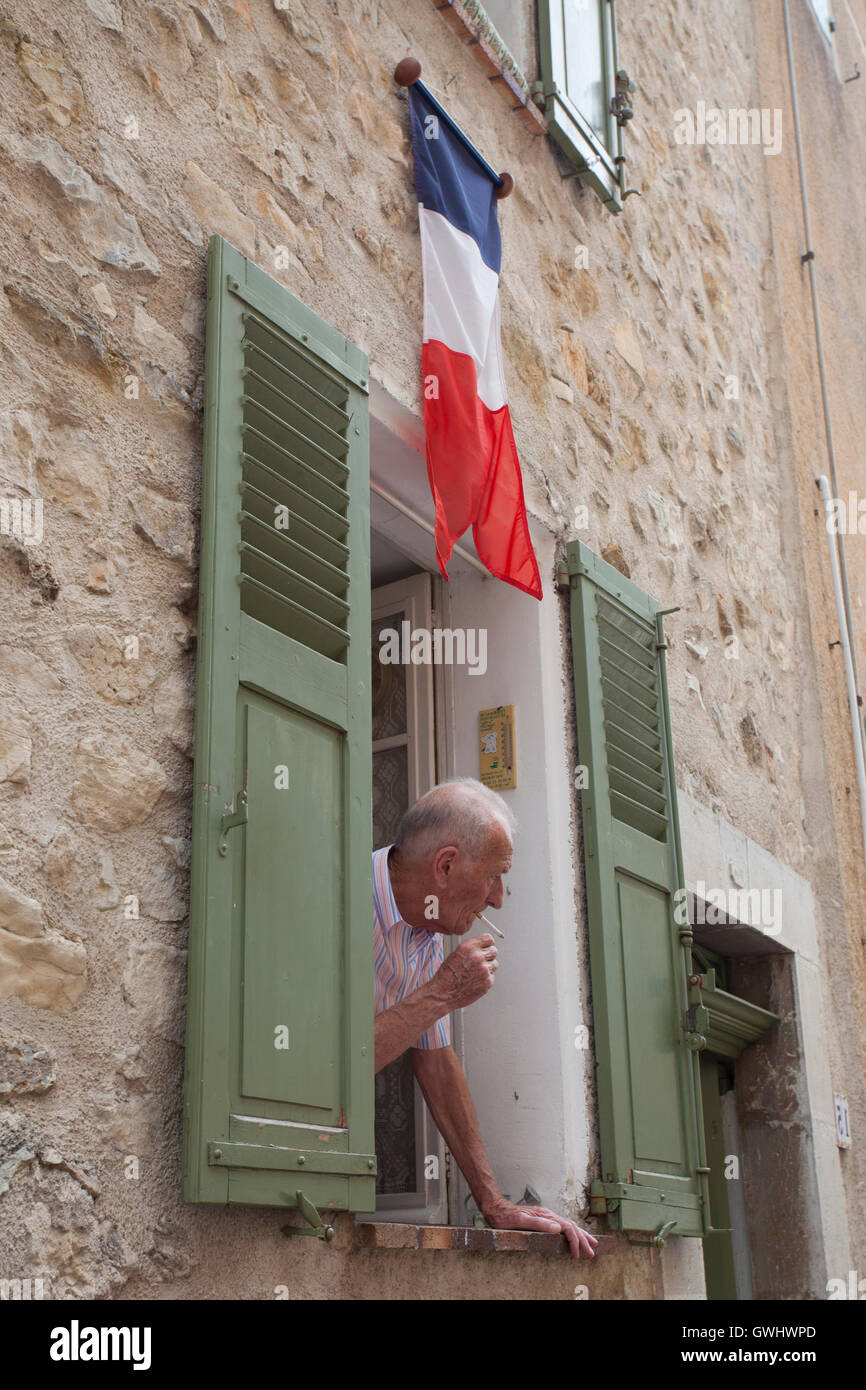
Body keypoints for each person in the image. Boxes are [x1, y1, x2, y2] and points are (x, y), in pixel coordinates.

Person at [373, 777, 598, 1260]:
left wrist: (493, 1203)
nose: (498, 898)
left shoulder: (428, 934)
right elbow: (321, 1070)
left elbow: (436, 1064)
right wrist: (441, 994)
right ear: (446, 865)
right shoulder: (337, 902)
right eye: (496, 875)